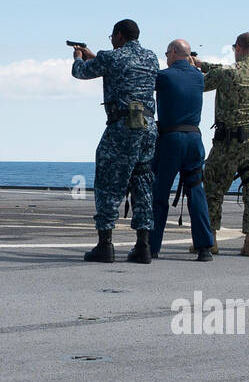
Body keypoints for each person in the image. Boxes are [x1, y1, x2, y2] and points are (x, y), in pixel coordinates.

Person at [71, 19, 159, 263]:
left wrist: (79, 56)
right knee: (142, 183)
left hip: (123, 126)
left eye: (112, 37)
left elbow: (80, 72)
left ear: (119, 36)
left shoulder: (112, 57)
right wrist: (95, 55)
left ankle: (105, 244)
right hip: (148, 126)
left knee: (108, 182)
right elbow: (121, 68)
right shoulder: (151, 57)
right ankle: (143, 246)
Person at [195, 32, 249, 257]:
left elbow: (202, 83)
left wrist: (194, 67)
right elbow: (228, 69)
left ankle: (211, 240)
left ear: (237, 47)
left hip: (228, 141)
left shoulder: (226, 73)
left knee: (214, 188)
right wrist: (202, 63)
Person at [150, 39, 214, 261]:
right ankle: (204, 247)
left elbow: (141, 79)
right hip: (195, 140)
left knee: (159, 193)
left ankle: (151, 245)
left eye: (167, 53)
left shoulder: (164, 76)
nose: (166, 57)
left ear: (174, 53)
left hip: (171, 139)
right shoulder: (199, 77)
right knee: (196, 192)